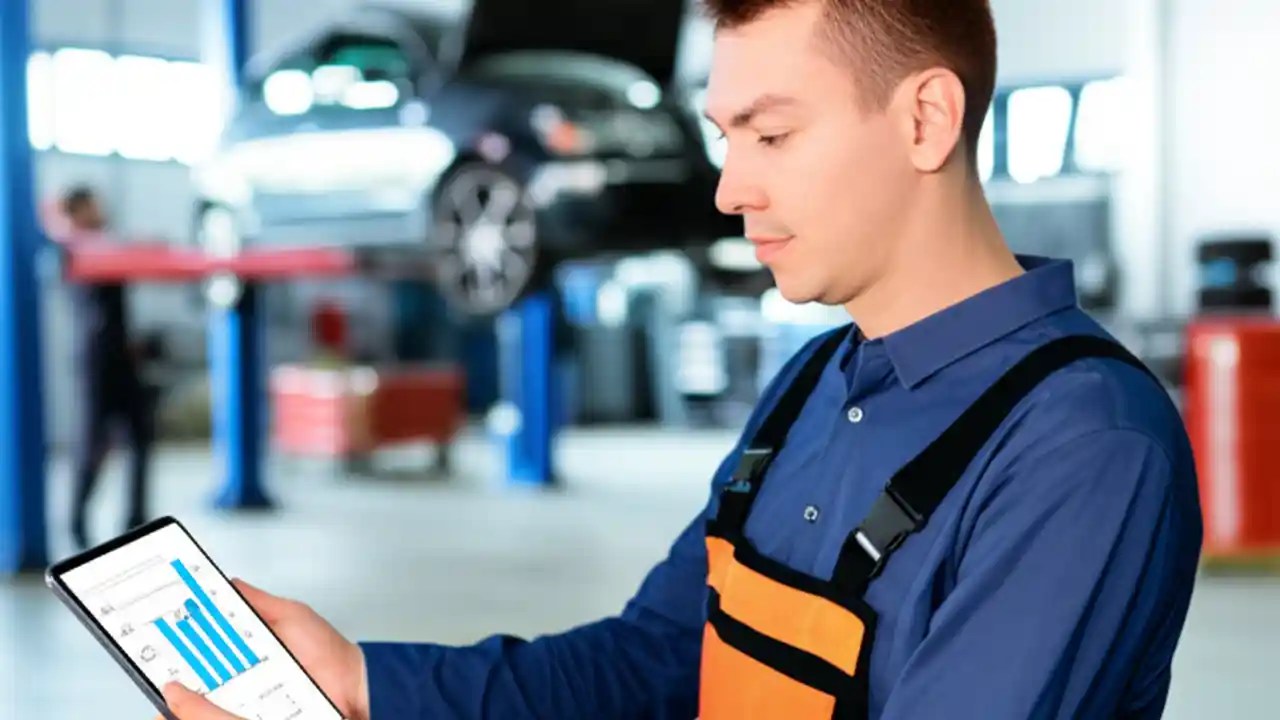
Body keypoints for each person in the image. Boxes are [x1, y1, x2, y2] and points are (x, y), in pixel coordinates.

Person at [161, 1, 1203, 718]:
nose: (727, 191)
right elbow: (658, 659)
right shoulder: (808, 388)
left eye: (771, 136)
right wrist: (361, 684)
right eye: (723, 138)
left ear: (924, 118)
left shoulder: (1081, 447)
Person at [58, 185, 155, 550]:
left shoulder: (105, 243)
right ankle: (76, 524)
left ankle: (136, 520)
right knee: (93, 444)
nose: (101, 211)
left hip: (121, 356)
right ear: (77, 210)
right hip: (96, 360)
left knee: (141, 435)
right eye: (93, 206)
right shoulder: (72, 246)